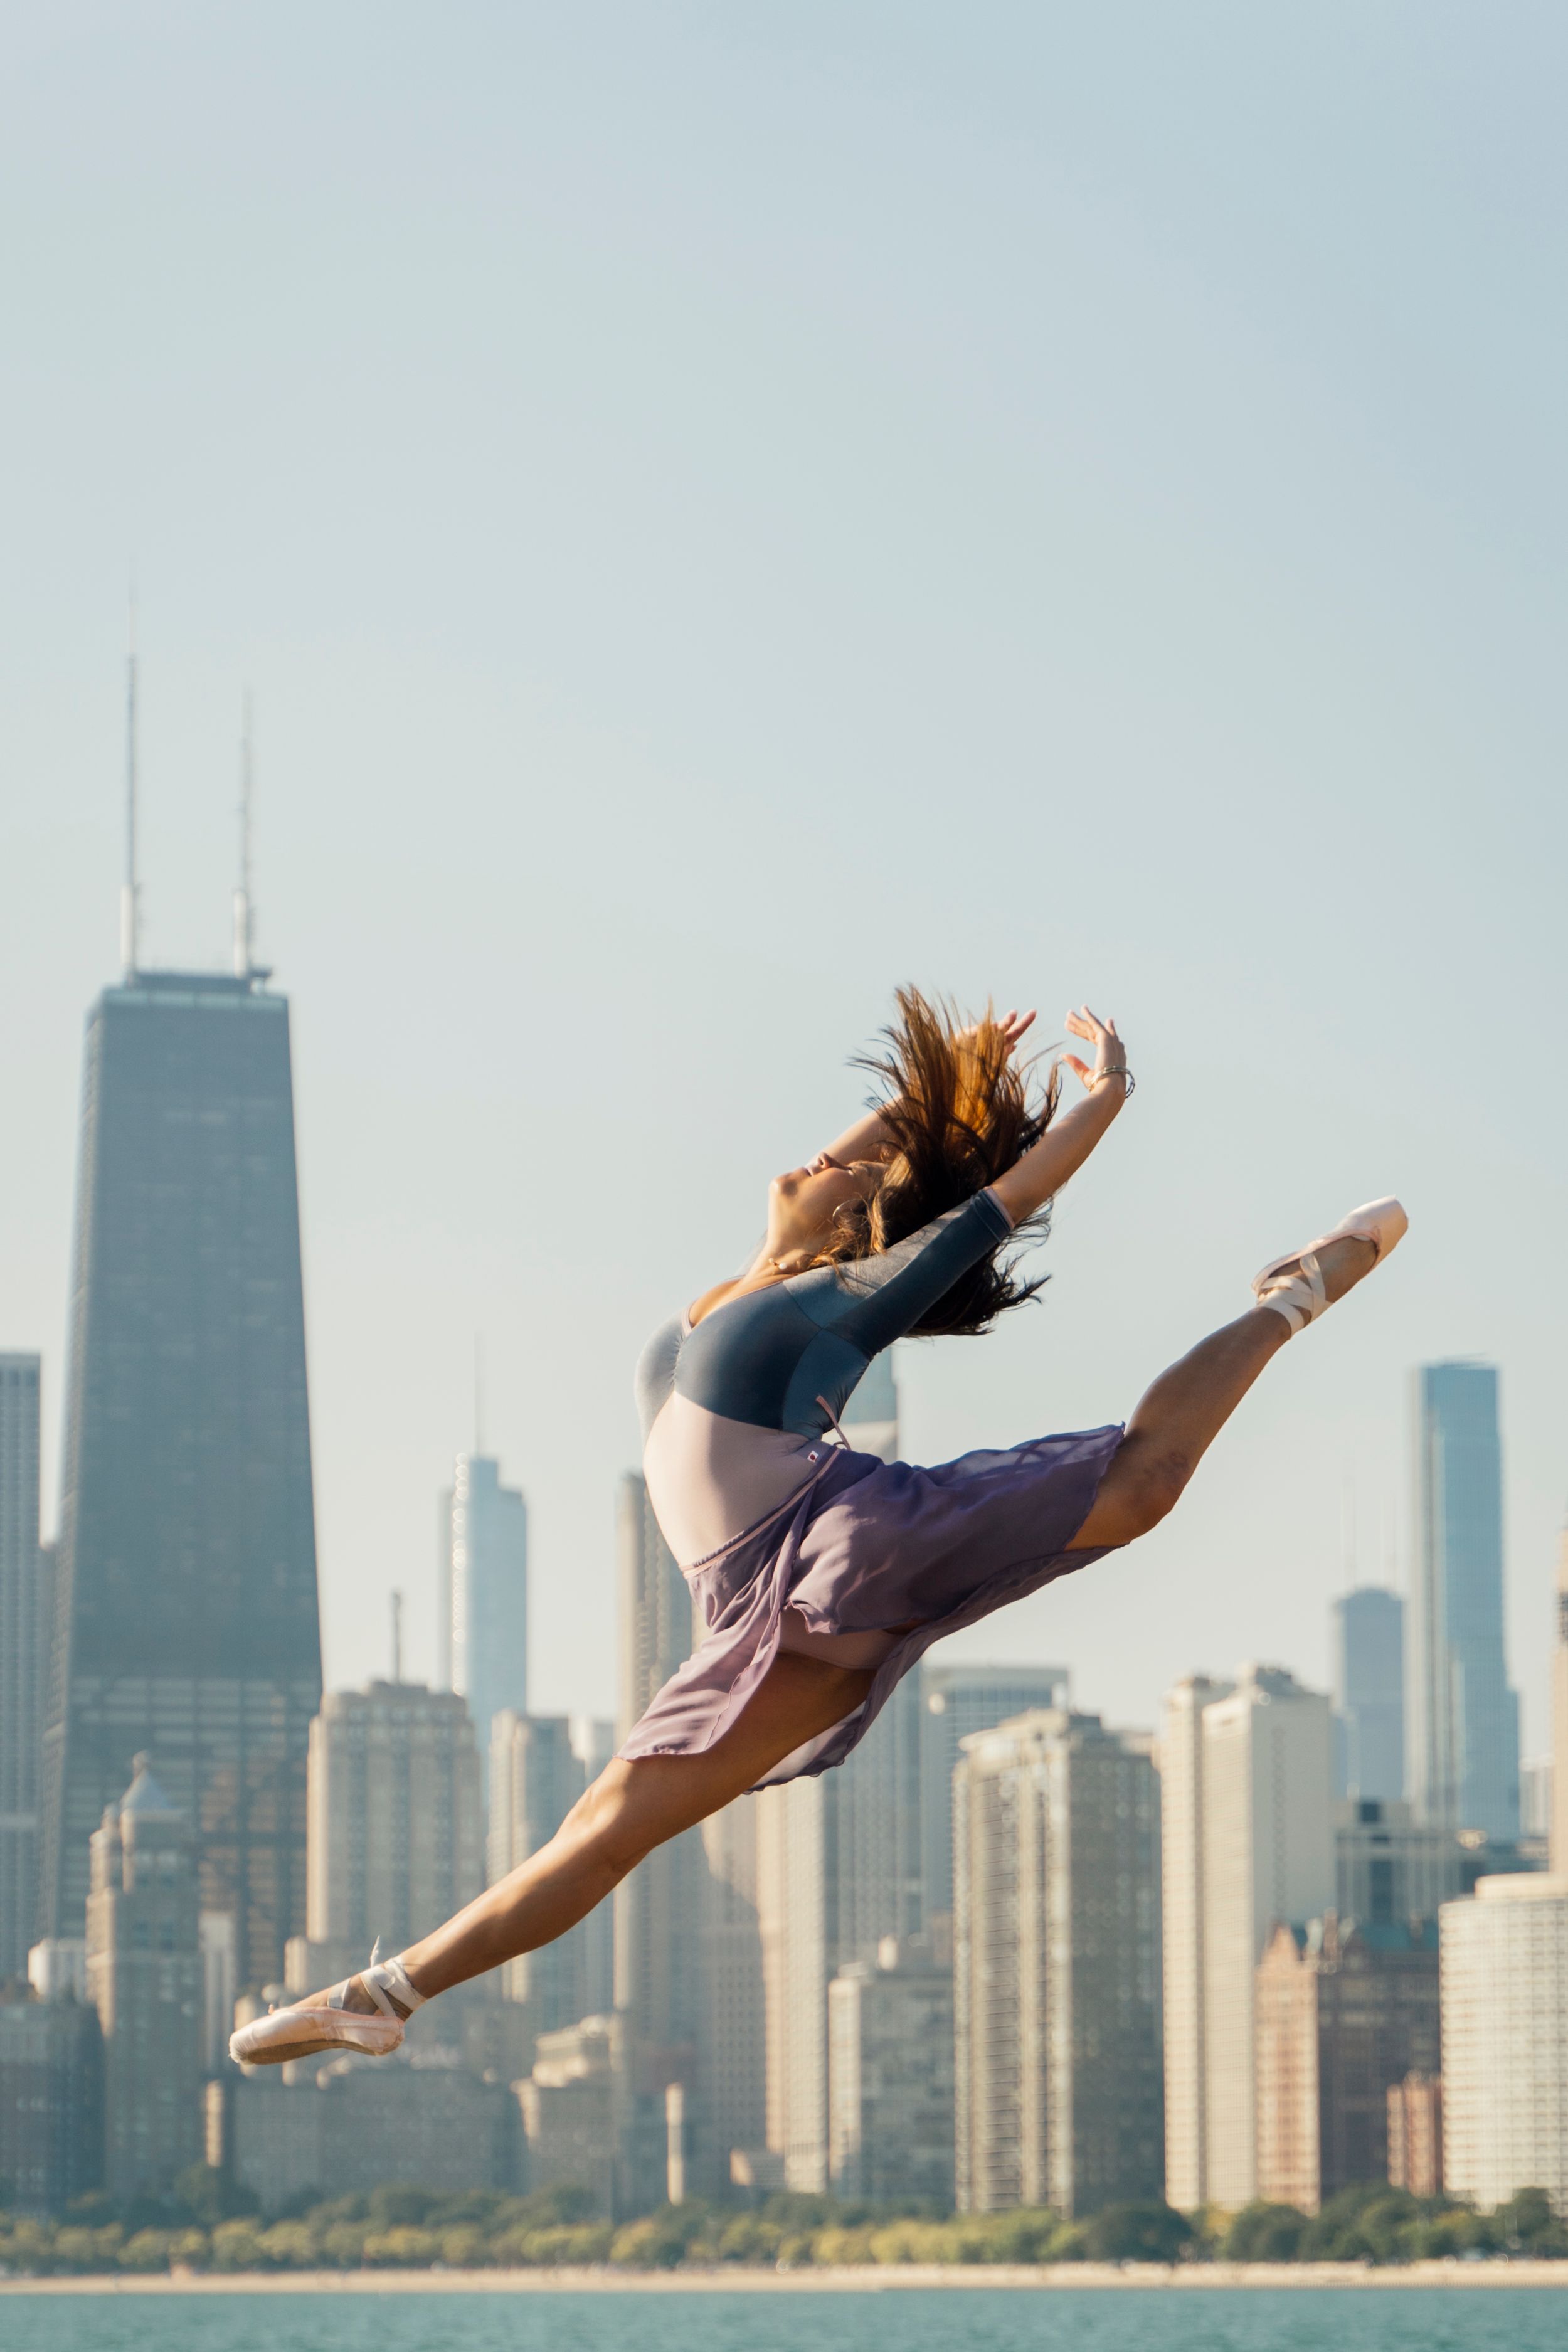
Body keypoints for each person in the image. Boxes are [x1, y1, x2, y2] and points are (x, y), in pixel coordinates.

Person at [232, 990, 1405, 2065]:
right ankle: (385, 1995)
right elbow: (877, 1156)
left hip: (841, 1543)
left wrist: (1105, 1099)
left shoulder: (830, 1306)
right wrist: (953, 1083)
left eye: (852, 1167)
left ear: (862, 1223)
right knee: (603, 1829)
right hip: (747, 1606)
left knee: (1142, 1486)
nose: (828, 1155)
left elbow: (1004, 1202)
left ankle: (1292, 1295)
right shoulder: (714, 1308)